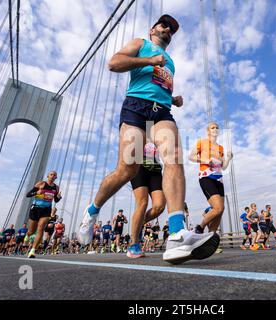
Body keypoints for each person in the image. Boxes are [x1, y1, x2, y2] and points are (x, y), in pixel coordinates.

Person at [77, 14, 216, 264]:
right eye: (164, 25)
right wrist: (150, 59)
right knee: (126, 170)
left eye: (172, 30)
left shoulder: (170, 62)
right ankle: (92, 210)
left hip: (161, 112)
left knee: (174, 160)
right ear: (153, 29)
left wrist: (173, 99)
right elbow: (114, 63)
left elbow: (158, 86)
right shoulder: (140, 43)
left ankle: (176, 234)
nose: (167, 30)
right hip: (135, 107)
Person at [189, 122, 233, 259]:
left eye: (217, 127)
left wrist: (228, 159)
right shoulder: (201, 142)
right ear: (208, 131)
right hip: (206, 177)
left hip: (218, 179)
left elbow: (223, 167)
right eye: (213, 127)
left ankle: (210, 241)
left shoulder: (220, 148)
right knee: (218, 208)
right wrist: (206, 160)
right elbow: (190, 156)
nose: (216, 129)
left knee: (220, 211)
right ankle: (200, 227)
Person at [127, 141, 165, 258]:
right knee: (143, 203)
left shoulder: (160, 127)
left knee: (159, 206)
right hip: (139, 164)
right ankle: (134, 244)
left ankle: (139, 224)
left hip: (155, 168)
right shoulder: (140, 125)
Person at [25, 170, 62, 258]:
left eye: (54, 175)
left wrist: (58, 198)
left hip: (46, 209)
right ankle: (27, 235)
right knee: (31, 231)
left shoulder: (56, 188)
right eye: (51, 175)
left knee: (41, 228)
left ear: (56, 178)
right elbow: (28, 194)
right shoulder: (41, 184)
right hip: (36, 208)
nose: (53, 176)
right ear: (48, 176)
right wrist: (36, 193)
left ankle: (33, 250)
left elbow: (56, 200)